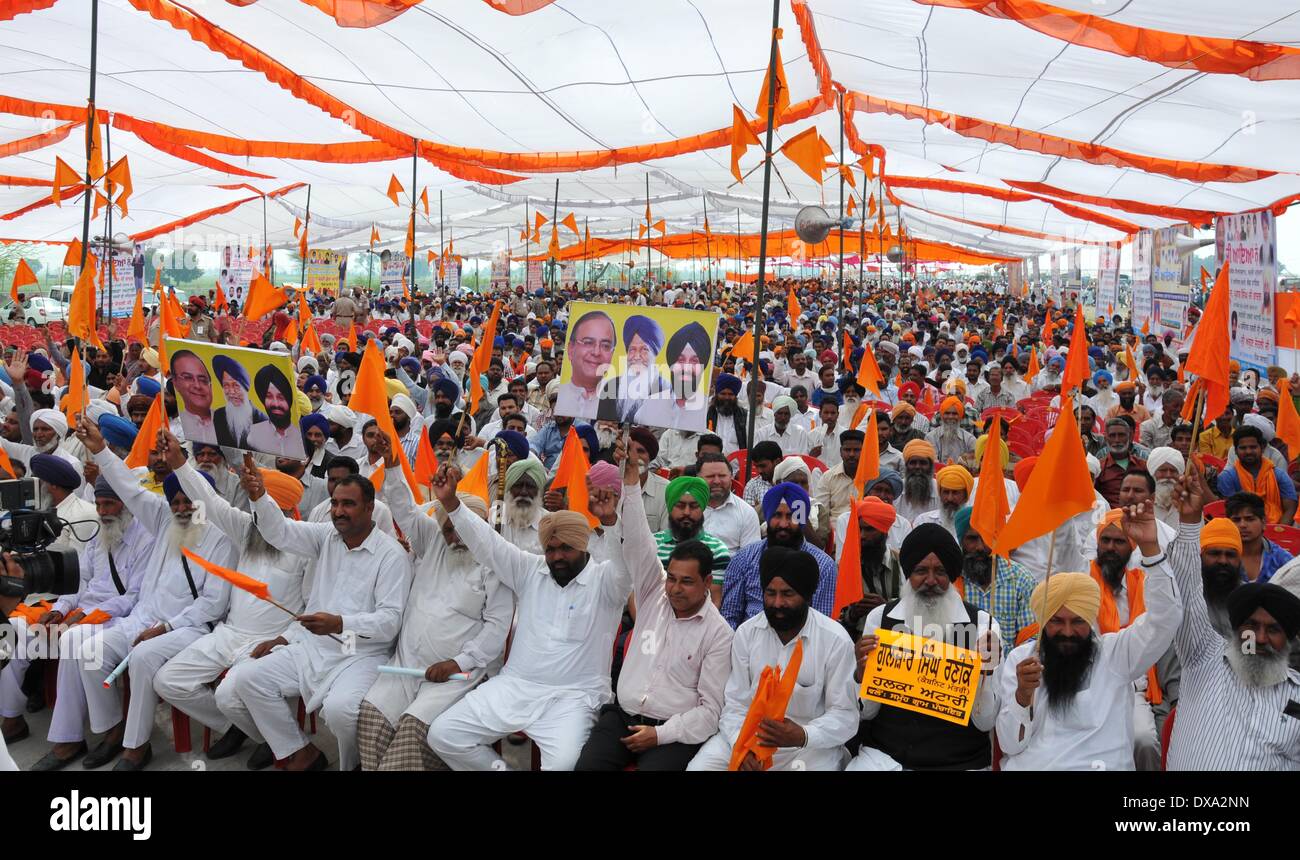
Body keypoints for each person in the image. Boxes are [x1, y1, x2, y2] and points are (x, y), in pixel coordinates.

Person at [426, 461, 632, 770]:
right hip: (515, 687)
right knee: (444, 734)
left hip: (573, 699)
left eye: (566, 549)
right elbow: (489, 544)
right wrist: (451, 504)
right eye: (550, 549)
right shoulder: (531, 570)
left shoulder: (608, 583)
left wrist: (613, 522)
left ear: (584, 547)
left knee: (564, 766)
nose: (556, 556)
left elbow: (625, 562)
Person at [72, 416, 239, 770]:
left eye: (187, 501)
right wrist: (100, 449)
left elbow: (214, 603)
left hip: (189, 629)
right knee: (89, 652)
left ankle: (136, 748)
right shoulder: (164, 519)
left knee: (145, 657)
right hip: (142, 618)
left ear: (204, 502)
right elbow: (128, 488)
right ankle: (113, 731)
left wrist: (165, 628)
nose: (180, 507)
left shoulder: (221, 538)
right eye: (175, 501)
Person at [220, 464, 411, 771]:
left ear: (370, 508)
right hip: (313, 646)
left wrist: (341, 623)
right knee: (247, 679)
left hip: (359, 653)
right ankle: (300, 752)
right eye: (335, 503)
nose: (338, 511)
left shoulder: (391, 555)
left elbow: (390, 622)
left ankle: (353, 764)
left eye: (348, 504)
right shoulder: (326, 537)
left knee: (340, 711)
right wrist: (259, 497)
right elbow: (279, 532)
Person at [151, 436, 309, 770]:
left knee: (227, 693)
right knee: (168, 680)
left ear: (284, 511)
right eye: (257, 508)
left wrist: (285, 639)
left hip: (270, 642)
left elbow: (310, 608)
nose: (261, 517)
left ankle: (278, 740)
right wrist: (180, 462)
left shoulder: (303, 544)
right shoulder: (245, 529)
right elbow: (208, 498)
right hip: (230, 633)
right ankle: (248, 730)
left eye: (268, 510)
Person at [575, 450, 732, 770]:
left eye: (686, 582)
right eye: (671, 578)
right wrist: (630, 484)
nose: (674, 588)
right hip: (622, 718)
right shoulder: (653, 595)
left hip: (672, 732)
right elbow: (637, 542)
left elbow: (710, 712)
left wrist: (660, 735)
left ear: (706, 582)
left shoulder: (719, 635)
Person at [996, 500, 1181, 770]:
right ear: (1043, 620)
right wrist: (1022, 696)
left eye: (1078, 622)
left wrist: (1151, 549)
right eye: (1057, 621)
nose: (1067, 632)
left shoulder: (1115, 655)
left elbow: (1166, 618)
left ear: (1091, 620)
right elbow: (1010, 744)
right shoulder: (1022, 661)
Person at [364, 437, 511, 770]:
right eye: (449, 529)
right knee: (371, 719)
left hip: (455, 676)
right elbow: (403, 507)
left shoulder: (494, 564)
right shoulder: (432, 540)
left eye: (461, 530)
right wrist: (392, 465)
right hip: (406, 665)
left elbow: (498, 628)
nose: (454, 537)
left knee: (412, 733)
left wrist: (458, 662)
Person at [0, 476, 153, 768]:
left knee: (72, 639)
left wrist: (84, 616)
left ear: (126, 505)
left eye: (110, 504)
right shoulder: (98, 536)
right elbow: (80, 580)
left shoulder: (145, 539)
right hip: (78, 612)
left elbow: (134, 596)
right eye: (99, 504)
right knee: (11, 630)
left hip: (116, 617)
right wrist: (61, 609)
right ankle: (12, 718)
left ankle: (81, 736)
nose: (103, 511)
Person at [1164, 469, 1300, 769]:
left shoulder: (1297, 693)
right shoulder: (1204, 657)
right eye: (1251, 627)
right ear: (1237, 629)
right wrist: (1189, 522)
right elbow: (1186, 590)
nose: (1260, 638)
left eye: (1273, 629)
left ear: (1288, 639)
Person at [687, 546, 857, 771]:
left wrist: (803, 734)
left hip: (808, 746)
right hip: (750, 736)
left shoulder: (835, 640)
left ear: (807, 595)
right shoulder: (747, 633)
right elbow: (735, 703)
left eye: (787, 594)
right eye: (770, 593)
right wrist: (741, 743)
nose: (777, 603)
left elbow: (845, 715)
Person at [847, 523, 1002, 771]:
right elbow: (866, 714)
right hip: (886, 759)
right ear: (908, 573)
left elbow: (985, 724)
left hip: (960, 761)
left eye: (940, 571)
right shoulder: (882, 618)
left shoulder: (983, 626)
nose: (931, 581)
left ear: (951, 576)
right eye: (921, 571)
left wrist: (983, 677)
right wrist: (862, 675)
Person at [1088, 509, 1172, 771]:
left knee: (1144, 741)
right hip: (1090, 684)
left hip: (1133, 686)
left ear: (1131, 546)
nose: (1111, 548)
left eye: (1119, 541)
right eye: (1106, 540)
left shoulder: (1145, 585)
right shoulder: (1083, 585)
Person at [720, 483, 837, 629]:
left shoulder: (824, 566)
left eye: (792, 516)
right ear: (768, 518)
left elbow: (822, 625)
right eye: (777, 515)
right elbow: (729, 618)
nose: (783, 524)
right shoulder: (744, 558)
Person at [953, 507, 1037, 647]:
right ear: (961, 542)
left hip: (1009, 667)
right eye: (972, 539)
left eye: (986, 537)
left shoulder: (1021, 580)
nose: (980, 547)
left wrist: (1002, 659)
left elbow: (1029, 642)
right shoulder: (951, 580)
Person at [834, 497, 904, 639]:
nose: (862, 536)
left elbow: (913, 612)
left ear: (884, 532)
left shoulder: (902, 563)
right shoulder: (843, 567)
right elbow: (835, 620)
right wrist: (853, 614)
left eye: (869, 529)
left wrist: (885, 608)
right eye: (859, 529)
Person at [656, 476, 732, 605]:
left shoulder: (717, 550)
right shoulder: (653, 544)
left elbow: (714, 600)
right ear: (669, 508)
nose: (686, 512)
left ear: (702, 508)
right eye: (680, 506)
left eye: (693, 506)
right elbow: (637, 593)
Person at [596, 314, 670, 424]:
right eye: (632, 350)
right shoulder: (611, 386)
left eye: (644, 349)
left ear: (654, 354)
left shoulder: (666, 390)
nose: (636, 356)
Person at [1217, 425, 1297, 525]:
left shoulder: (1279, 475)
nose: (1248, 451)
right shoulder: (1227, 477)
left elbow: (1290, 509)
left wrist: (1276, 534)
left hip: (1276, 531)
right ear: (1236, 451)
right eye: (1243, 448)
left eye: (1253, 447)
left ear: (1262, 448)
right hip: (1241, 531)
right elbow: (1229, 512)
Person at [556, 310, 615, 421]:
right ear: (570, 349)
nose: (596, 352)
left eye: (606, 346)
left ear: (612, 354)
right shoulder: (556, 392)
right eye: (588, 342)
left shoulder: (619, 405)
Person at [699, 452, 761, 555]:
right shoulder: (687, 509)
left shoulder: (746, 513)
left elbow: (750, 558)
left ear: (731, 477)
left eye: (722, 476)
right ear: (698, 478)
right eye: (710, 476)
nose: (717, 481)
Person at [1226, 492, 1293, 584]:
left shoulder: (1282, 559)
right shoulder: (1221, 557)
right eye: (1236, 520)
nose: (1242, 525)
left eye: (1250, 519)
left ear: (1264, 522)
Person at [245, 365, 301, 456]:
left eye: (281, 397)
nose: (276, 404)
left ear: (289, 398)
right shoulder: (254, 435)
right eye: (269, 396)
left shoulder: (301, 436)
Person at [212, 356, 266, 450]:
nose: (231, 392)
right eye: (226, 386)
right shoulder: (219, 416)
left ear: (245, 387)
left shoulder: (262, 421)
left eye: (236, 385)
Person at [1095, 417, 1147, 507]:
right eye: (1112, 435)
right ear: (1106, 438)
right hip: (1110, 518)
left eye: (1121, 435)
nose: (1117, 440)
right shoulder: (1099, 468)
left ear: (1130, 437)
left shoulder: (1143, 465)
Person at [172, 349, 218, 445]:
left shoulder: (231, 425)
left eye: (203, 380)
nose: (197, 385)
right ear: (175, 382)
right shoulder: (173, 430)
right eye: (188, 377)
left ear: (211, 387)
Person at [913, 464, 972, 536]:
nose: (950, 498)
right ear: (940, 493)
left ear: (965, 496)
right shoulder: (923, 520)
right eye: (946, 492)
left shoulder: (975, 525)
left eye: (955, 493)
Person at [896, 439, 939, 523]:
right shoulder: (897, 490)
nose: (917, 467)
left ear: (930, 466)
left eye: (923, 463)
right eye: (913, 463)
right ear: (906, 465)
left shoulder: (940, 490)